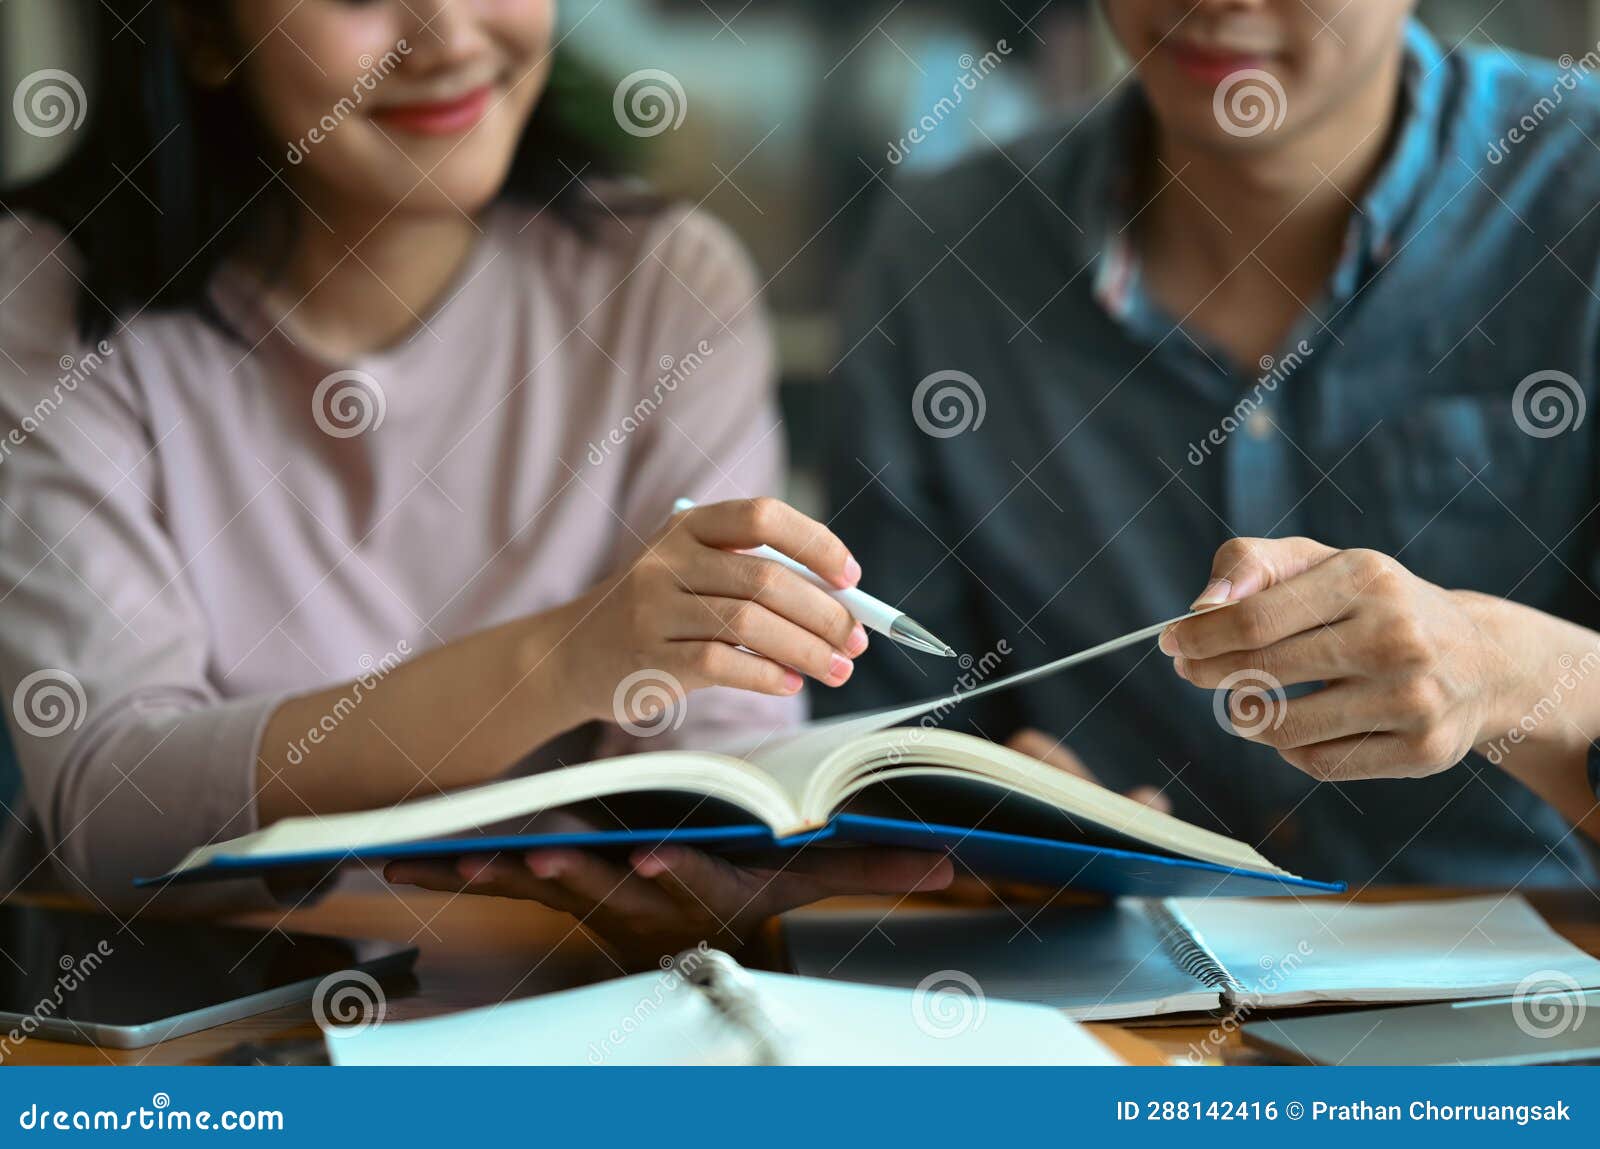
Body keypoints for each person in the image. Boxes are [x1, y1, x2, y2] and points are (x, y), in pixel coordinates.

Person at [0, 0, 950, 958]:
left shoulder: (660, 284)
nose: (449, 36)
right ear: (204, 31)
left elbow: (718, 766)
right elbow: (111, 807)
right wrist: (566, 660)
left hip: (558, 1006)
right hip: (178, 1039)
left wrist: (703, 877)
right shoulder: (46, 300)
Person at [826, 0, 1600, 886]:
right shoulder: (942, 257)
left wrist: (1512, 675)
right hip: (1091, 1007)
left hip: (1532, 1005)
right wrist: (991, 824)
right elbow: (877, 762)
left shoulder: (1579, 199)